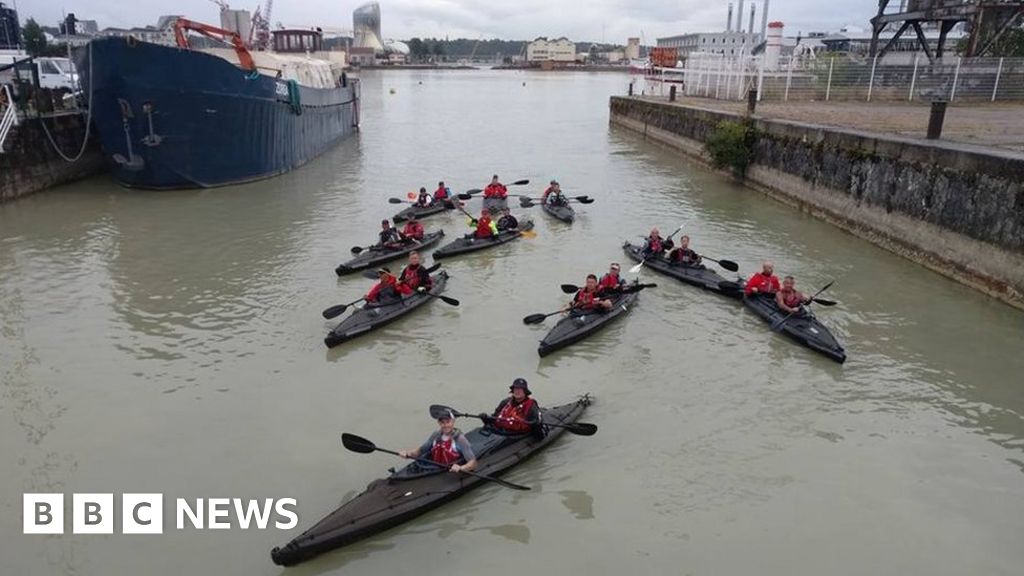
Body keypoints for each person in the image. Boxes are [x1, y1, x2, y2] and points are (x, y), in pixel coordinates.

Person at [398, 410, 477, 473]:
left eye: (448, 422)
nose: (446, 425)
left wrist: (461, 468)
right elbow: (420, 451)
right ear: (439, 423)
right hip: (434, 469)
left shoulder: (460, 439)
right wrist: (407, 453)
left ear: (453, 422)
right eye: (442, 422)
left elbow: (472, 463)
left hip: (449, 470)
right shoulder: (436, 435)